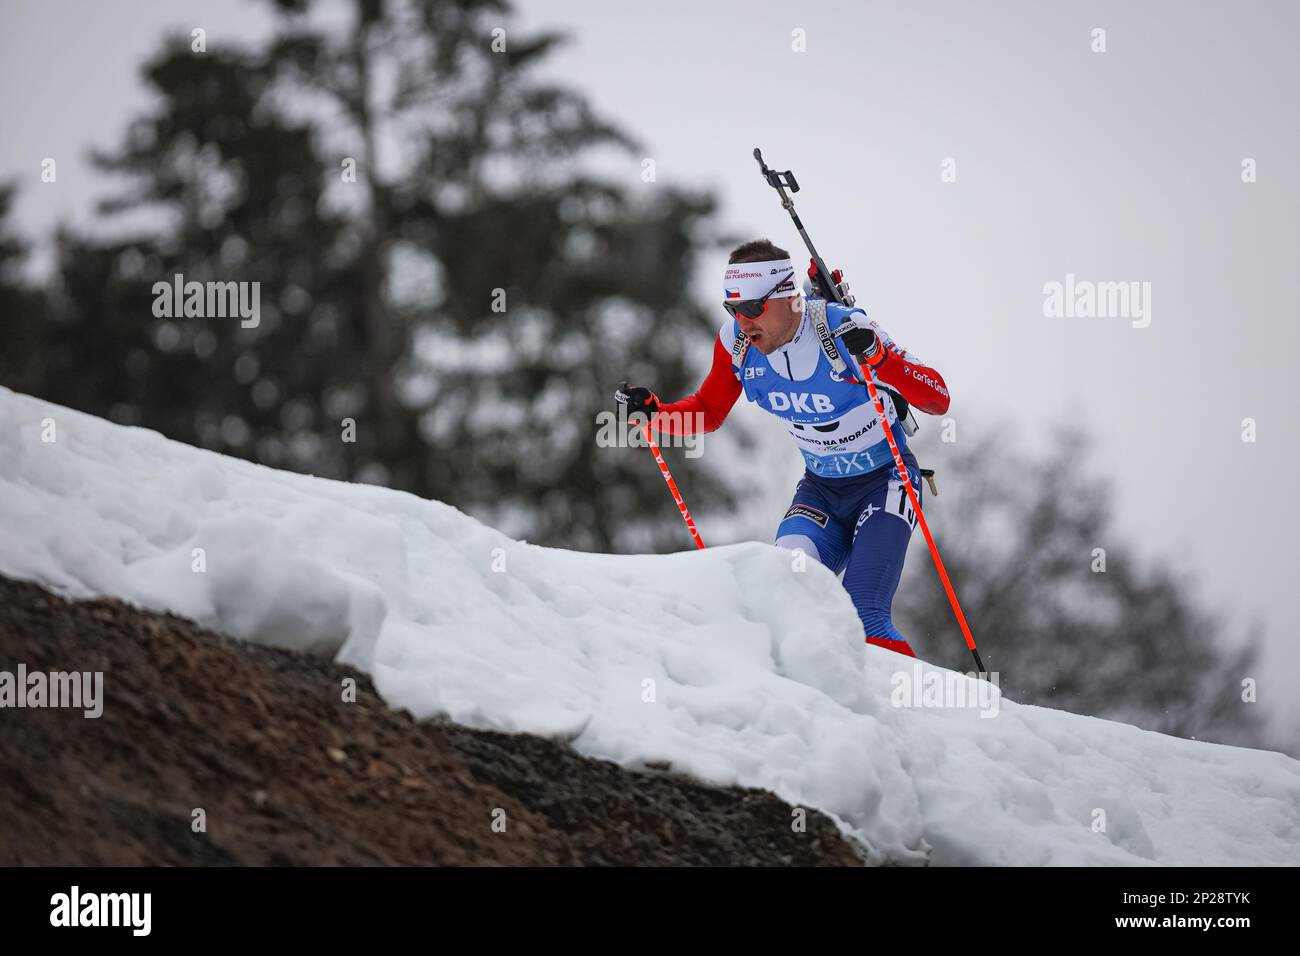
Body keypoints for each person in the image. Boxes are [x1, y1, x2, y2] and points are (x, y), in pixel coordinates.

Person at [615, 240, 950, 657]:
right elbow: (707, 411)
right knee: (782, 599)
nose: (743, 321)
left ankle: (911, 717)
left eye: (752, 309)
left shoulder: (839, 328)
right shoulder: (737, 343)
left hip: (886, 482)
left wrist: (881, 358)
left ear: (788, 297)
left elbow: (938, 398)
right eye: (732, 309)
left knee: (864, 618)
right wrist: (657, 414)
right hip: (821, 492)